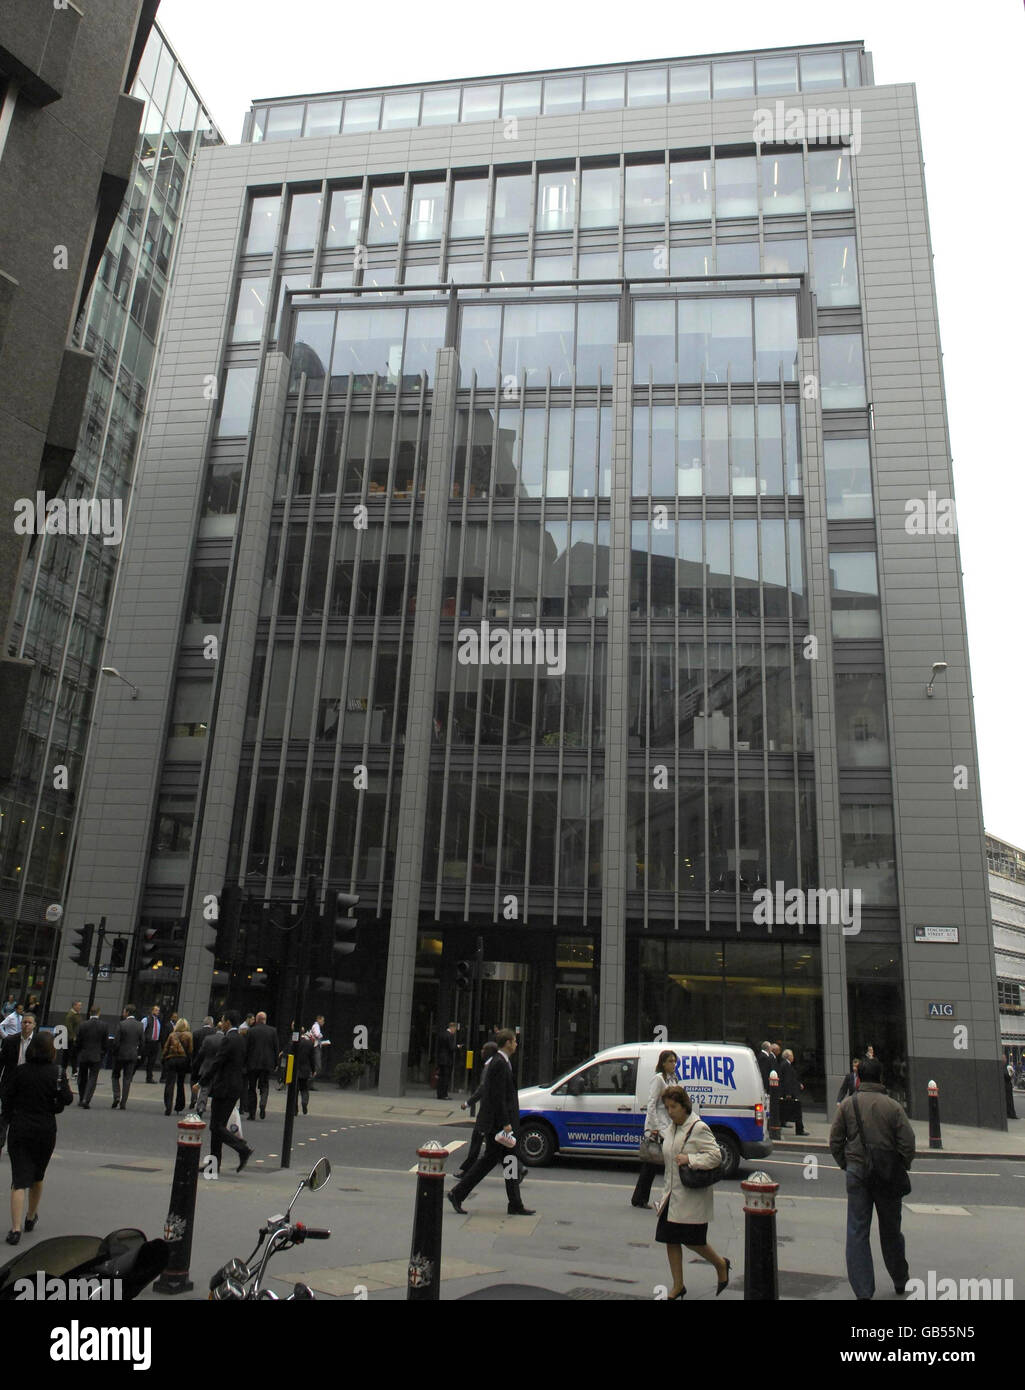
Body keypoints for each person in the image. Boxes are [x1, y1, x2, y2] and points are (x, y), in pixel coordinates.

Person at [829, 1056, 914, 1300]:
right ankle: (899, 1278)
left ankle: (864, 1291)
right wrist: (900, 1164)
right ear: (880, 1078)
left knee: (857, 1231)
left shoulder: (847, 1105)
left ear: (859, 1078)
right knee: (891, 1230)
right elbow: (907, 1143)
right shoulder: (893, 1107)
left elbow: (835, 1141)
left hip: (857, 1170)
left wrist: (847, 1164)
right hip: (887, 1173)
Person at [447, 1029, 533, 1217]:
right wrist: (505, 1123)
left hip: (499, 1122)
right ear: (507, 1043)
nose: (516, 1044)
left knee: (509, 1160)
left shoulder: (502, 1062)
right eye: (514, 1041)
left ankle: (515, 1203)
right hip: (498, 1124)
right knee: (489, 1161)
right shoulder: (499, 1063)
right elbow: (498, 1096)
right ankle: (457, 1193)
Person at [656, 1086, 731, 1299]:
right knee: (669, 1239)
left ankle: (720, 1264)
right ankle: (678, 1285)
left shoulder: (698, 1127)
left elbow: (715, 1156)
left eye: (674, 1107)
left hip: (691, 1197)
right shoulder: (671, 1128)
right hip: (671, 1195)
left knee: (693, 1241)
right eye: (667, 1107)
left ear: (684, 1106)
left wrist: (690, 1159)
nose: (670, 1111)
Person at [1, 1031, 73, 1244]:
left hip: (20, 1127)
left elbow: (6, 1096)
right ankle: (31, 1216)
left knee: (19, 1180)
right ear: (52, 1050)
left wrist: (10, 1115)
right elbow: (67, 1098)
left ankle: (15, 1229)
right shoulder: (57, 1072)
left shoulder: (20, 1071)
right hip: (45, 1129)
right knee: (38, 1176)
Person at [207, 1012, 254, 1174]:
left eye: (222, 1020)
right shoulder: (241, 1039)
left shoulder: (228, 1039)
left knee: (216, 1126)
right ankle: (213, 1165)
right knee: (217, 1126)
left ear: (228, 1022)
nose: (221, 1023)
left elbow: (218, 1062)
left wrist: (202, 1082)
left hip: (223, 1087)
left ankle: (242, 1148)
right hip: (235, 1086)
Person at [632, 1049, 678, 1208]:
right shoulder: (659, 1079)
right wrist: (655, 1127)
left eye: (674, 1061)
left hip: (669, 1124)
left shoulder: (673, 1079)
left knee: (653, 1165)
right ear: (663, 1063)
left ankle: (639, 1198)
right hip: (659, 1126)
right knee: (654, 1162)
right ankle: (642, 1198)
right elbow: (651, 1104)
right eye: (670, 1061)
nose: (673, 1064)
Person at [456, 1040, 499, 1175]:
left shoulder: (489, 1067)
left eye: (483, 1050)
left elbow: (482, 1088)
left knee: (477, 1138)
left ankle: (467, 1170)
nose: (481, 1052)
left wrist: (468, 1103)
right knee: (494, 1143)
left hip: (487, 1110)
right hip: (491, 1109)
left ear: (488, 1053)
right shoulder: (493, 1064)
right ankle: (518, 1168)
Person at [244, 1012, 278, 1120]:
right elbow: (276, 1048)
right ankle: (263, 1103)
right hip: (267, 1063)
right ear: (265, 1019)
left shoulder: (251, 1031)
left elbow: (246, 1048)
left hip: (253, 1063)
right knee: (265, 1085)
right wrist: (276, 1063)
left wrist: (244, 1063)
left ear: (257, 1020)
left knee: (252, 1088)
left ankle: (252, 1113)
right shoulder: (272, 1031)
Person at [111, 1005, 143, 1109]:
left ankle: (116, 1095)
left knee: (115, 1075)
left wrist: (114, 1052)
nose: (123, 1013)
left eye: (124, 1011)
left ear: (128, 1012)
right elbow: (142, 1042)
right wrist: (139, 1053)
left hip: (120, 1054)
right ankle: (123, 1102)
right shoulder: (140, 1025)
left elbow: (116, 1041)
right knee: (127, 1078)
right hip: (132, 1054)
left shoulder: (122, 1024)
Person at [75, 1008, 106, 1108]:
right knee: (93, 1077)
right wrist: (102, 1053)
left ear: (90, 1013)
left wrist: (79, 1051)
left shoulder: (83, 1025)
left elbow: (78, 1041)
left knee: (82, 1077)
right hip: (96, 1055)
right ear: (99, 1013)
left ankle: (81, 1098)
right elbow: (105, 1043)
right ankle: (86, 1099)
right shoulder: (104, 1025)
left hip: (84, 1054)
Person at [192, 1019, 224, 1116]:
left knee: (204, 1089)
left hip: (207, 1066)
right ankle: (217, 1109)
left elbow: (201, 1053)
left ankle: (201, 1107)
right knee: (218, 1090)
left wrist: (196, 1064)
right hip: (219, 1069)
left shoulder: (208, 1039)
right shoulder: (226, 1039)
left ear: (216, 1028)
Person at [162, 1018, 193, 1115]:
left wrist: (163, 1058)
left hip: (172, 1060)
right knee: (180, 1083)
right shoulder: (189, 1035)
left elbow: (166, 1048)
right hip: (183, 1061)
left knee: (169, 1083)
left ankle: (168, 1106)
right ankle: (179, 1105)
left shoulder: (172, 1035)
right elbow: (190, 1050)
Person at [189, 1017, 217, 1108]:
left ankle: (194, 1097)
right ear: (211, 1023)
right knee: (206, 1082)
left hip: (198, 1060)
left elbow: (193, 1049)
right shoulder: (215, 1033)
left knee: (194, 1079)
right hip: (209, 1062)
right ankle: (203, 1100)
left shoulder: (196, 1033)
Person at [780, 1049, 808, 1135]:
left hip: (790, 1091)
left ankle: (783, 1122)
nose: (793, 1057)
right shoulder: (786, 1065)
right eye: (792, 1055)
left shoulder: (786, 1065)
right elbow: (787, 1080)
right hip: (790, 1092)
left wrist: (798, 1084)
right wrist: (788, 1093)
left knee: (787, 1109)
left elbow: (792, 1078)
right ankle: (800, 1129)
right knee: (797, 1111)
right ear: (788, 1056)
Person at [436, 1022, 457, 1100]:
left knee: (441, 1077)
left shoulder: (442, 1034)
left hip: (441, 1059)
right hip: (447, 1060)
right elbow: (451, 1048)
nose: (455, 1031)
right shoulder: (450, 1035)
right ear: (452, 1028)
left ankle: (439, 1094)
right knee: (446, 1077)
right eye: (455, 1029)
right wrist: (457, 1047)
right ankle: (444, 1094)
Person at [62, 1001, 82, 1075]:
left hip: (75, 1038)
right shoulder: (70, 1015)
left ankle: (74, 1071)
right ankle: (65, 1071)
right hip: (69, 1039)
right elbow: (68, 1027)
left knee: (73, 1055)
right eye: (79, 1005)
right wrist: (73, 1037)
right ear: (74, 1006)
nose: (80, 1007)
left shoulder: (77, 1014)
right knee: (67, 1055)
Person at [309, 1016, 329, 1080]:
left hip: (316, 1046)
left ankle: (310, 1080)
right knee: (317, 1065)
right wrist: (321, 1035)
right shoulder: (316, 1026)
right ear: (318, 1020)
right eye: (322, 1020)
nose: (323, 1022)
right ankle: (309, 1079)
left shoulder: (316, 1026)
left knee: (316, 1065)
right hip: (315, 1048)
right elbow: (317, 1034)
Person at [1004, 1056, 1017, 1120]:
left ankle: (1009, 1113)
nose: (1005, 1059)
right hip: (1007, 1086)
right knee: (1009, 1101)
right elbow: (1008, 1076)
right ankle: (1010, 1114)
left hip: (1007, 1086)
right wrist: (1012, 1074)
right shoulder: (1006, 1067)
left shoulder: (1006, 1067)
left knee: (1008, 1101)